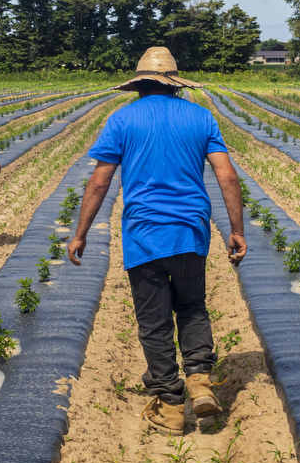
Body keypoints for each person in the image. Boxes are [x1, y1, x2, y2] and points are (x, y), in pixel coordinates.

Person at [68, 46, 246, 436]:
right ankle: (199, 379)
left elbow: (100, 181)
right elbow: (227, 177)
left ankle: (169, 405)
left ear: (138, 86)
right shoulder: (201, 117)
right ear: (174, 83)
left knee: (154, 321)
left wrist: (80, 233)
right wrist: (237, 229)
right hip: (190, 231)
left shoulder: (121, 119)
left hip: (144, 234)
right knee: (193, 306)